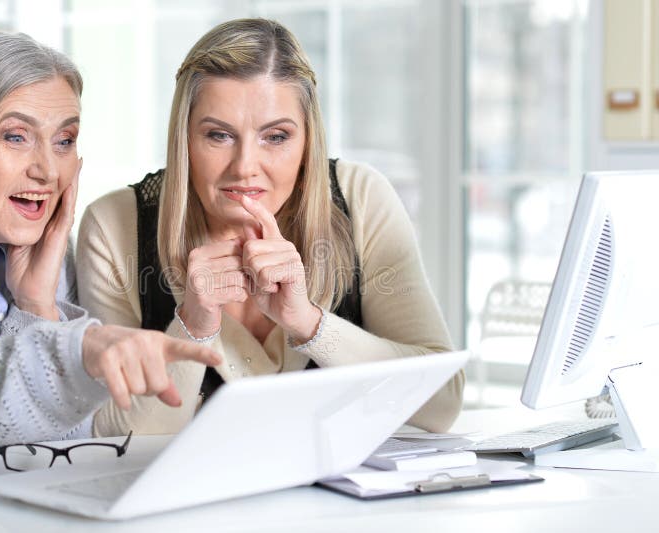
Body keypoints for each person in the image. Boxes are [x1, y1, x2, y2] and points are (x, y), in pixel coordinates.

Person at [77, 18, 464, 436]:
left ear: (308, 141)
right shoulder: (115, 226)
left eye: (276, 137)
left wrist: (310, 323)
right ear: (183, 139)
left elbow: (442, 404)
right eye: (218, 135)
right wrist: (193, 327)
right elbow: (117, 442)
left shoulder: (361, 197)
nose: (245, 167)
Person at [0, 32, 220, 446]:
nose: (48, 171)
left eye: (64, 141)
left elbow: (66, 448)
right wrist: (73, 351)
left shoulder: (46, 251)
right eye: (16, 136)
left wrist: (36, 307)